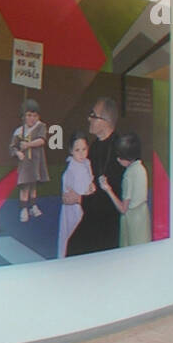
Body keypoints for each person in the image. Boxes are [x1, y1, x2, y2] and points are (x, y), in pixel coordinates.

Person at [65, 97, 121, 256]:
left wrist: (79, 198)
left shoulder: (118, 149)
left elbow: (112, 199)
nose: (89, 118)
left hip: (106, 223)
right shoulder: (95, 146)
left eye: (93, 115)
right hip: (92, 213)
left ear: (105, 121)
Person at [11, 97, 51, 223]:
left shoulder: (41, 127)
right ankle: (23, 209)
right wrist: (18, 153)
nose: (32, 118)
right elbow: (12, 147)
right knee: (25, 186)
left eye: (34, 115)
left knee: (33, 186)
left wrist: (28, 145)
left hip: (36, 163)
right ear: (23, 116)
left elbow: (42, 140)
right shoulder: (19, 131)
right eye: (28, 115)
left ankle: (33, 206)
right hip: (25, 163)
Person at [111, 127, 151, 250]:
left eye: (120, 157)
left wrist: (108, 190)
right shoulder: (141, 169)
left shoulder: (129, 174)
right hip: (143, 214)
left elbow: (123, 208)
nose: (118, 159)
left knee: (130, 251)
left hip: (132, 219)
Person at [56, 133, 92, 256]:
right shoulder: (71, 170)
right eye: (77, 150)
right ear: (71, 151)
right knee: (70, 234)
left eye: (84, 149)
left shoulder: (87, 163)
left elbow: (90, 181)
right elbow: (70, 194)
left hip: (84, 205)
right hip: (73, 209)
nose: (81, 153)